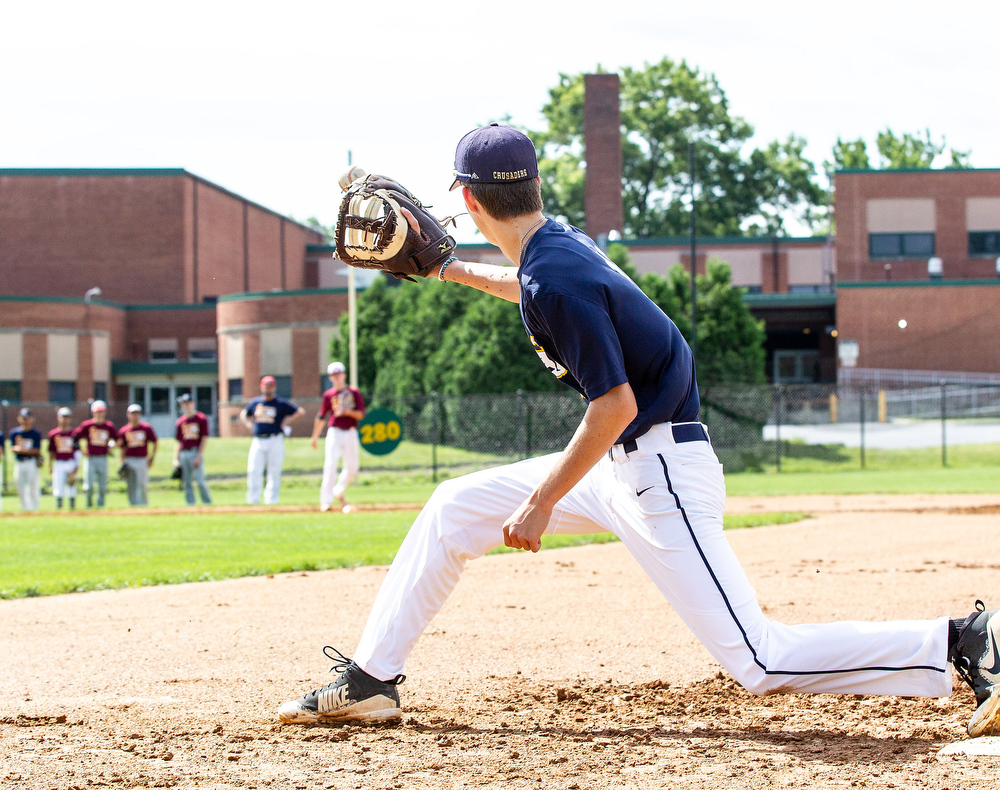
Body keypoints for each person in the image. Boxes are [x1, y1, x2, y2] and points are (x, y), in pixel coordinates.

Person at [277, 123, 1000, 739]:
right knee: (453, 508)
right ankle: (373, 677)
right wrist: (448, 270)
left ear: (466, 199)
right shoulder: (557, 245)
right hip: (628, 466)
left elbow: (614, 404)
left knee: (760, 661)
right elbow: (532, 288)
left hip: (659, 472)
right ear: (531, 187)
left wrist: (541, 502)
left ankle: (965, 644)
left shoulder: (551, 276)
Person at [241, 375, 305, 505]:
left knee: (274, 471)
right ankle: (253, 500)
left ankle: (272, 500)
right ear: (261, 387)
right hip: (258, 440)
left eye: (270, 386)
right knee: (253, 469)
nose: (268, 388)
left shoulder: (280, 403)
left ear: (274, 387)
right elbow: (244, 413)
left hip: (275, 439)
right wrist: (249, 424)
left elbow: (300, 411)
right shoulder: (256, 402)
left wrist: (287, 422)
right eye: (266, 385)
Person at [312, 361, 365, 513]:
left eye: (339, 374)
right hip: (334, 432)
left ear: (344, 375)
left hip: (350, 431)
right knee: (330, 465)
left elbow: (361, 414)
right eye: (333, 375)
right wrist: (315, 437)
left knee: (352, 467)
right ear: (330, 377)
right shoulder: (328, 395)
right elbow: (321, 416)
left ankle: (338, 491)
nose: (337, 377)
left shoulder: (354, 392)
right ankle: (326, 502)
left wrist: (347, 411)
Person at [73, 400, 117, 508]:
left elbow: (118, 439)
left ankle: (100, 506)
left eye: (101, 412)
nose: (99, 414)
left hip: (103, 457)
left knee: (102, 485)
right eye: (97, 412)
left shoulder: (108, 426)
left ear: (105, 412)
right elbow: (75, 437)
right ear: (93, 412)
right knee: (89, 486)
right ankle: (89, 506)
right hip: (90, 458)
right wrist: (82, 450)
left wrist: (112, 447)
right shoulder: (87, 425)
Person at [173, 393, 212, 505]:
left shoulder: (201, 418)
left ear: (193, 403)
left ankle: (207, 503)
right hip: (184, 453)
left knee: (200, 481)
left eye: (188, 403)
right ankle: (190, 504)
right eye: (184, 404)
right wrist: (175, 459)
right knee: (187, 482)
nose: (186, 406)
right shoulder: (180, 422)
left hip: (195, 451)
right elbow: (179, 442)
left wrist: (199, 455)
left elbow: (204, 438)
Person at [117, 404, 157, 506]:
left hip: (142, 459)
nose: (135, 416)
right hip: (129, 459)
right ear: (128, 415)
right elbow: (122, 447)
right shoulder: (124, 430)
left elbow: (155, 441)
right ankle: (133, 505)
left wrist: (152, 457)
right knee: (131, 485)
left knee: (142, 483)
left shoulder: (146, 428)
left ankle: (143, 504)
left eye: (137, 413)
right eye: (133, 413)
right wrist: (122, 462)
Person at [48, 406, 82, 509]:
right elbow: (51, 451)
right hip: (59, 462)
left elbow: (77, 451)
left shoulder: (73, 434)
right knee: (58, 484)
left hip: (70, 461)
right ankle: (59, 506)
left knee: (72, 484)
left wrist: (76, 466)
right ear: (58, 418)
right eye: (63, 417)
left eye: (67, 417)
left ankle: (72, 506)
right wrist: (50, 465)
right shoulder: (53, 434)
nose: (65, 419)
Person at [10, 407, 43, 511]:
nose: (25, 420)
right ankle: (24, 509)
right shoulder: (15, 432)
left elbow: (36, 450)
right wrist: (24, 450)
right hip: (20, 462)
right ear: (19, 418)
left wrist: (22, 450)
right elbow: (13, 448)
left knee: (33, 487)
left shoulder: (35, 433)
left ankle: (34, 508)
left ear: (32, 419)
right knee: (20, 487)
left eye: (27, 418)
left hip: (31, 462)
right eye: (23, 418)